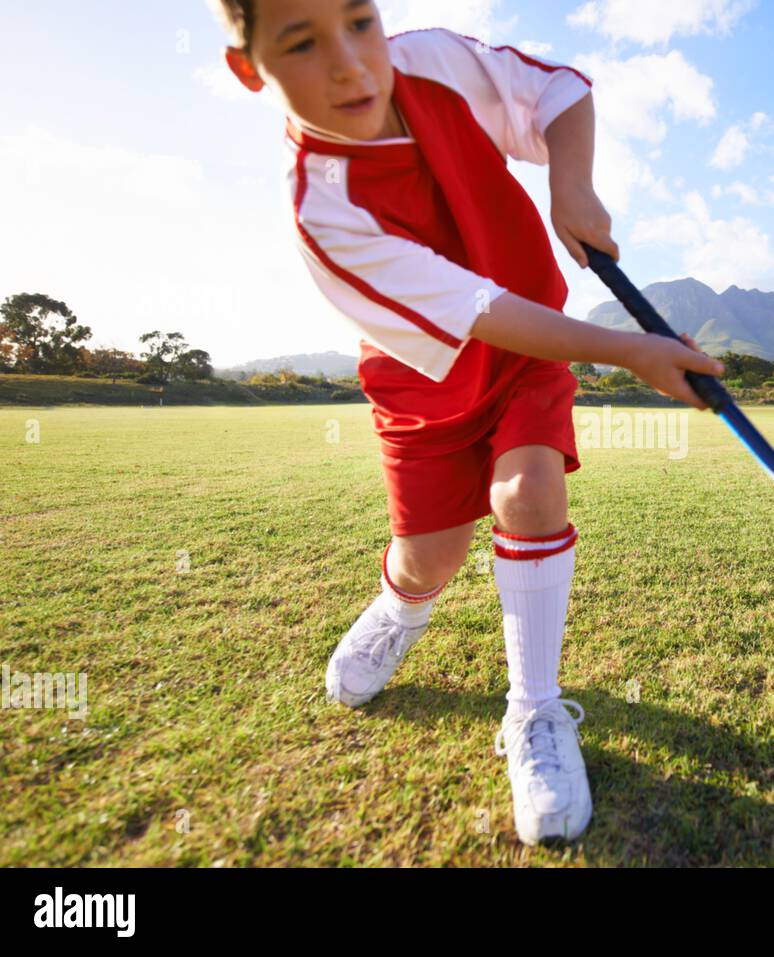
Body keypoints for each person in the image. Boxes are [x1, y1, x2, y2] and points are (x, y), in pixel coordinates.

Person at [209, 0, 723, 846]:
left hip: (530, 351)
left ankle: (535, 712)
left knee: (528, 491)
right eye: (302, 43)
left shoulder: (434, 61)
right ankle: (402, 609)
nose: (350, 63)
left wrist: (571, 183)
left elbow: (560, 93)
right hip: (427, 376)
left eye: (359, 21)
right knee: (431, 556)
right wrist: (632, 352)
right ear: (249, 69)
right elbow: (477, 309)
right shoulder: (322, 211)